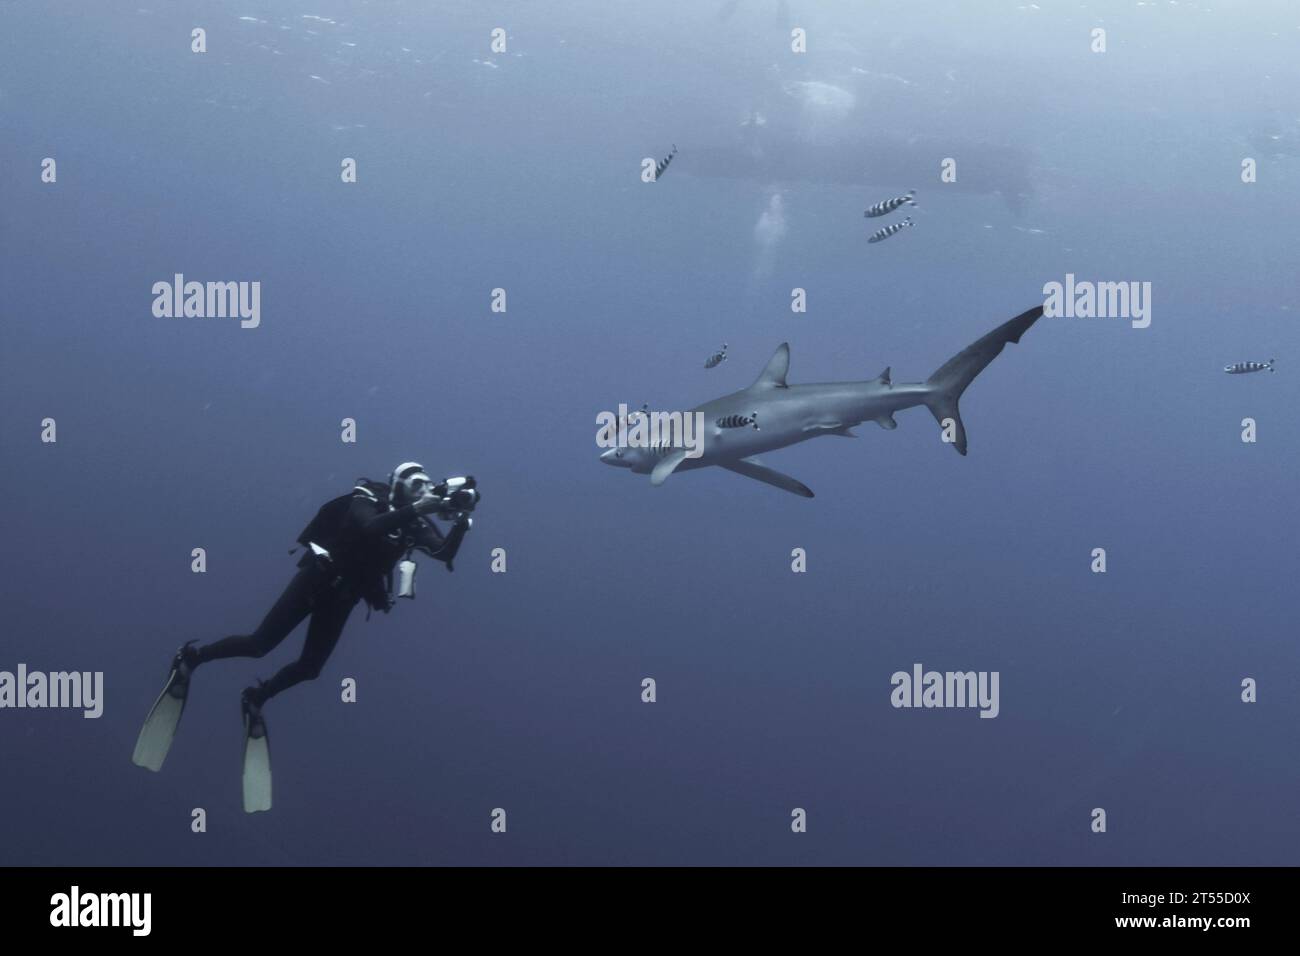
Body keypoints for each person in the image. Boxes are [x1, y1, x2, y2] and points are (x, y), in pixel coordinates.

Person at [132, 462, 478, 809]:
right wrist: (419, 507)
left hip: (344, 598)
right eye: (415, 484)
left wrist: (461, 524)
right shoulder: (367, 496)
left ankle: (256, 696)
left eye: (425, 485)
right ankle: (192, 658)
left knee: (311, 668)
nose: (421, 490)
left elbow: (442, 551)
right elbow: (369, 527)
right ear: (398, 485)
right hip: (317, 580)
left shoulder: (415, 523)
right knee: (259, 645)